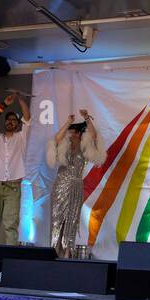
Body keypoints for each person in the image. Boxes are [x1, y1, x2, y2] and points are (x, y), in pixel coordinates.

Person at [47, 109, 105, 257]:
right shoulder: (64, 146)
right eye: (70, 132)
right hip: (61, 185)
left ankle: (67, 253)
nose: (71, 135)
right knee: (57, 220)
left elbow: (94, 136)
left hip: (76, 186)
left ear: (79, 134)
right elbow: (56, 139)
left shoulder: (85, 148)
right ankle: (54, 251)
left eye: (73, 132)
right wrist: (68, 122)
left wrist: (86, 118)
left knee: (72, 220)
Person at [0, 91, 30, 250]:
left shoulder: (21, 137)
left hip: (13, 187)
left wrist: (20, 99)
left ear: (18, 124)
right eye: (8, 120)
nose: (11, 122)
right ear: (5, 123)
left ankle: (10, 258)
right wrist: (4, 105)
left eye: (14, 120)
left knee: (11, 224)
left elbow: (27, 118)